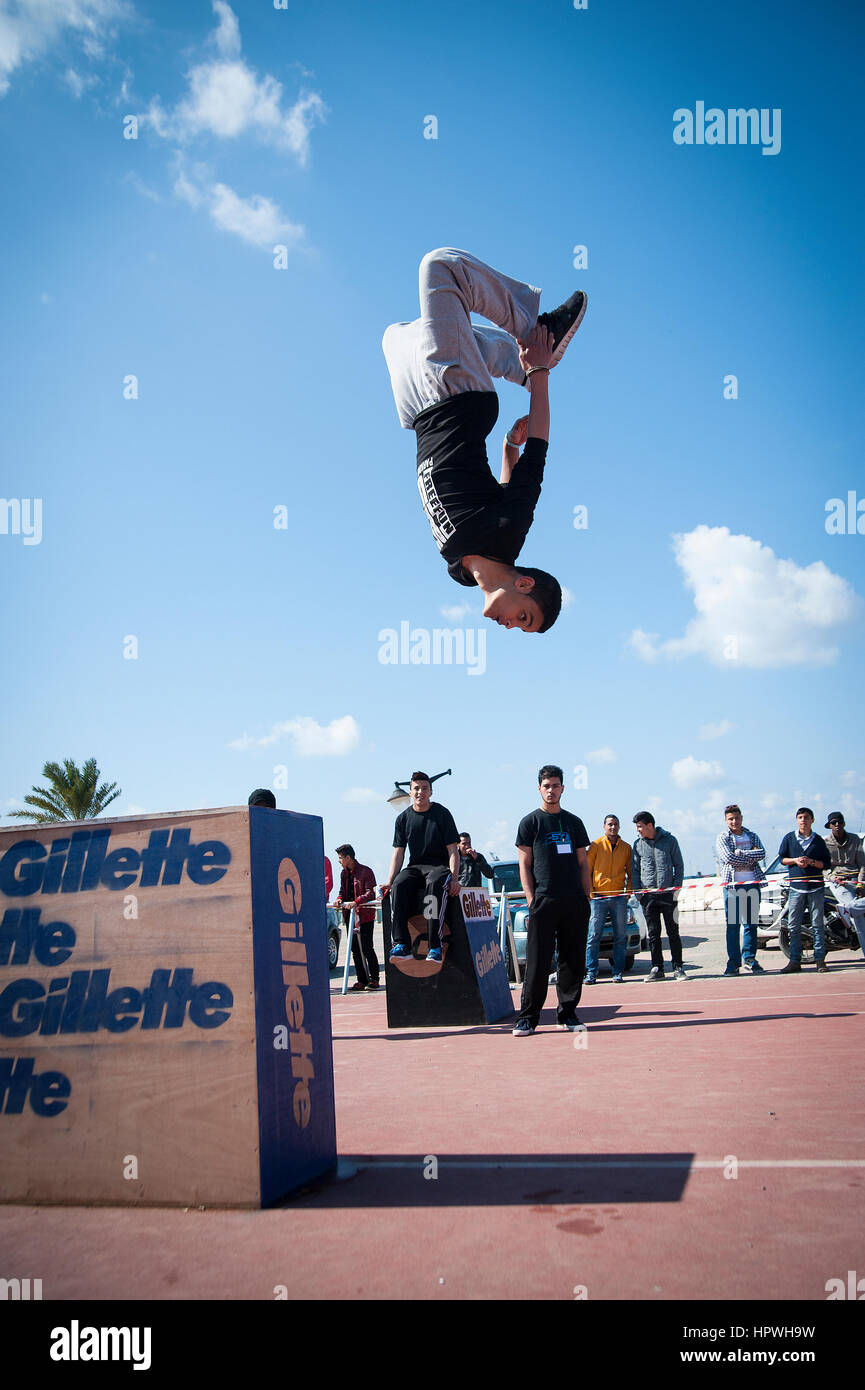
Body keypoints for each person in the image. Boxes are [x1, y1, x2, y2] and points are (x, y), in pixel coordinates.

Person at [382, 247, 588, 633]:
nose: (510, 625)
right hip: (457, 398)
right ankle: (534, 336)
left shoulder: (460, 574)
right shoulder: (510, 530)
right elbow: (537, 455)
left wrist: (509, 446)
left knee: (395, 336)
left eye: (518, 627)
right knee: (442, 268)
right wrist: (541, 374)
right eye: (523, 617)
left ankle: (517, 363)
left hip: (418, 412)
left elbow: (503, 488)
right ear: (523, 583)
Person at [512, 765, 591, 1036]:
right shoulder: (530, 823)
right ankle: (528, 1018)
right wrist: (532, 898)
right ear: (539, 789)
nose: (551, 790)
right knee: (537, 962)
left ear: (562, 788)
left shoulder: (574, 823)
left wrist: (586, 896)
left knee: (572, 960)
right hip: (544, 900)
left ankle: (567, 1014)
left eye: (555, 785)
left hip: (574, 901)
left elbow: (583, 863)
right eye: (546, 786)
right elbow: (525, 864)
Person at [383, 773, 460, 963]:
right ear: (410, 792)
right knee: (399, 886)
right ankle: (402, 945)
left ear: (431, 791)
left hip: (439, 867)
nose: (420, 792)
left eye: (424, 788)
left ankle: (435, 945)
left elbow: (453, 850)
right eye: (416, 788)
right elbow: (398, 853)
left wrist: (455, 878)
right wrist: (389, 881)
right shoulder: (403, 819)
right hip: (415, 867)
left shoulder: (442, 814)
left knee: (434, 886)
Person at [248, 788, 332, 895]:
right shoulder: (245, 839)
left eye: (266, 808)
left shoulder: (284, 836)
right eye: (257, 808)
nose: (262, 813)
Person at [632, 812, 686, 980]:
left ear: (650, 825)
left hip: (669, 895)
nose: (638, 830)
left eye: (640, 826)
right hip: (648, 897)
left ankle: (678, 967)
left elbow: (679, 865)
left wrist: (675, 888)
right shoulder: (638, 845)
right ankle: (657, 968)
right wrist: (639, 893)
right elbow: (635, 870)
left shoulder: (670, 840)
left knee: (673, 932)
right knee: (654, 934)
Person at [778, 808, 832, 973]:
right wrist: (795, 860)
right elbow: (782, 859)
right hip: (796, 888)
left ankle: (820, 960)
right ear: (796, 820)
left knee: (817, 925)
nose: (803, 820)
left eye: (806, 817)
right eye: (800, 817)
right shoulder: (789, 838)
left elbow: (826, 864)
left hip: (815, 888)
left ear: (812, 820)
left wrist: (811, 862)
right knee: (793, 925)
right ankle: (795, 960)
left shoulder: (818, 841)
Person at [715, 804, 766, 976]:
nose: (734, 821)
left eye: (736, 818)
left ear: (741, 818)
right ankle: (733, 963)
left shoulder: (751, 835)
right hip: (733, 886)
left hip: (752, 884)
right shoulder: (723, 837)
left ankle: (750, 959)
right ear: (726, 821)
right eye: (730, 819)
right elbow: (728, 857)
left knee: (751, 925)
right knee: (733, 926)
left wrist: (740, 854)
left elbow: (762, 853)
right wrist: (748, 855)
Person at [584, 815, 632, 984]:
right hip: (599, 898)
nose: (613, 827)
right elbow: (587, 870)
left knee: (620, 936)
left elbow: (630, 872)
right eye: (610, 824)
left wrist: (628, 892)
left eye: (616, 824)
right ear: (604, 826)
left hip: (619, 898)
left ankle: (617, 972)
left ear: (619, 827)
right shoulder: (596, 845)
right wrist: (590, 893)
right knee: (593, 936)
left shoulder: (626, 848)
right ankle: (591, 972)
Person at [335, 844, 380, 991]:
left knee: (367, 947)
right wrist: (340, 899)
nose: (339, 861)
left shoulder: (366, 872)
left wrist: (356, 902)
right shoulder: (343, 874)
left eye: (340, 858)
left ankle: (374, 979)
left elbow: (371, 893)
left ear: (348, 857)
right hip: (349, 916)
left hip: (365, 916)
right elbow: (342, 891)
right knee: (354, 949)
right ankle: (361, 980)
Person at [823, 812, 865, 955]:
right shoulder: (826, 843)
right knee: (859, 919)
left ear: (844, 823)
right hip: (839, 882)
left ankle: (848, 908)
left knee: (857, 912)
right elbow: (823, 868)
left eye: (840, 822)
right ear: (829, 826)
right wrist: (831, 877)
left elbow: (862, 865)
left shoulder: (855, 839)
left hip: (855, 879)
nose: (837, 825)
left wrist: (860, 884)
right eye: (834, 823)